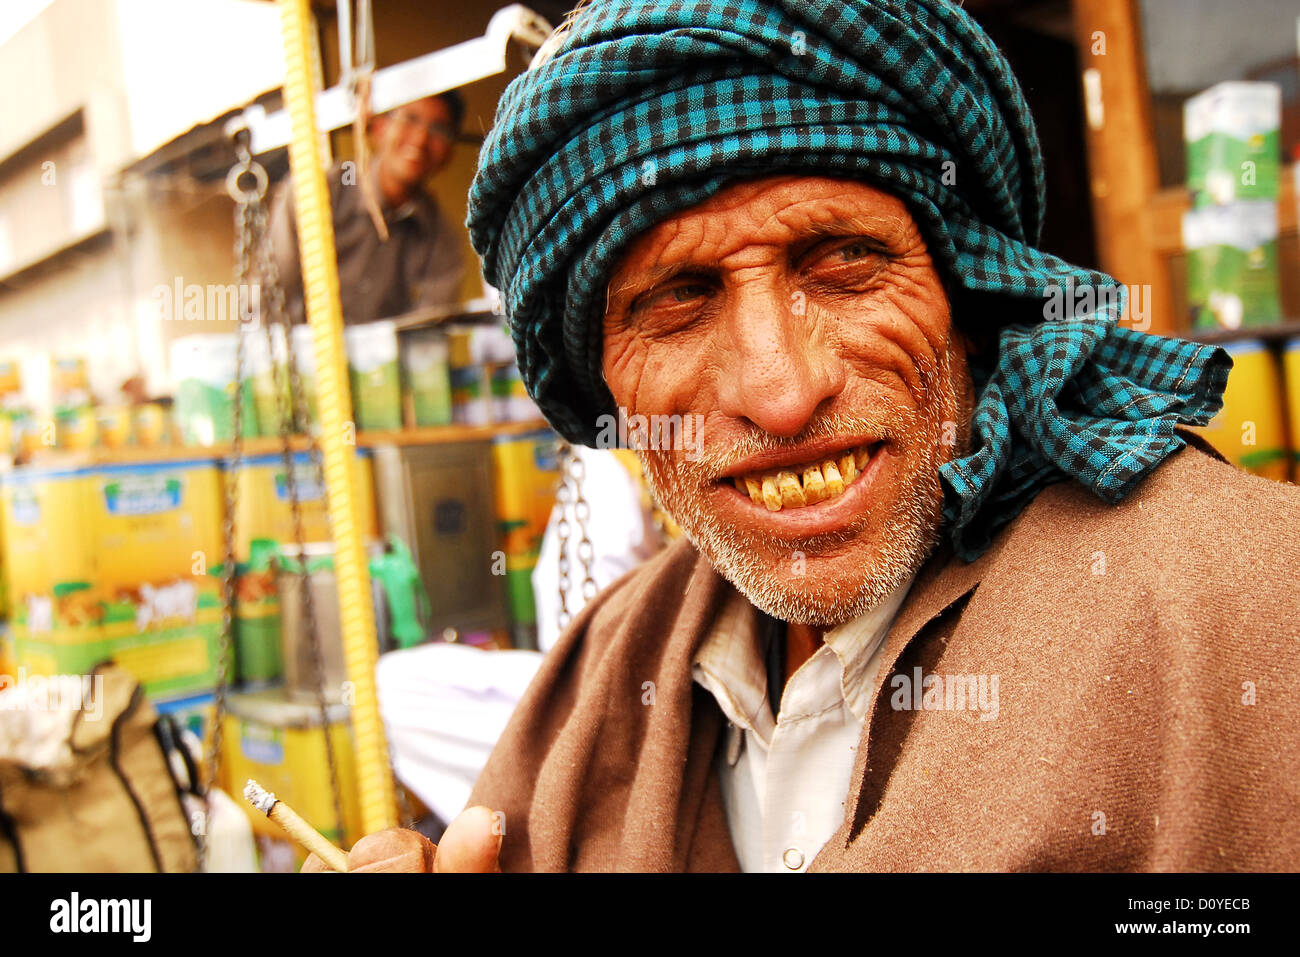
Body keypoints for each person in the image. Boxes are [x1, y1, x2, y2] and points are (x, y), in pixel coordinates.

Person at [306, 0, 1300, 873]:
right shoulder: (604, 670)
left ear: (964, 294)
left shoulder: (1246, 594)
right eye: (679, 298)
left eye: (843, 261)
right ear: (601, 375)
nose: (779, 393)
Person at [266, 92, 467, 325]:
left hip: (386, 361)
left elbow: (430, 332)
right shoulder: (317, 193)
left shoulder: (442, 239)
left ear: (449, 154)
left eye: (439, 130)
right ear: (379, 127)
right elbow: (268, 298)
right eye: (410, 119)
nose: (421, 139)